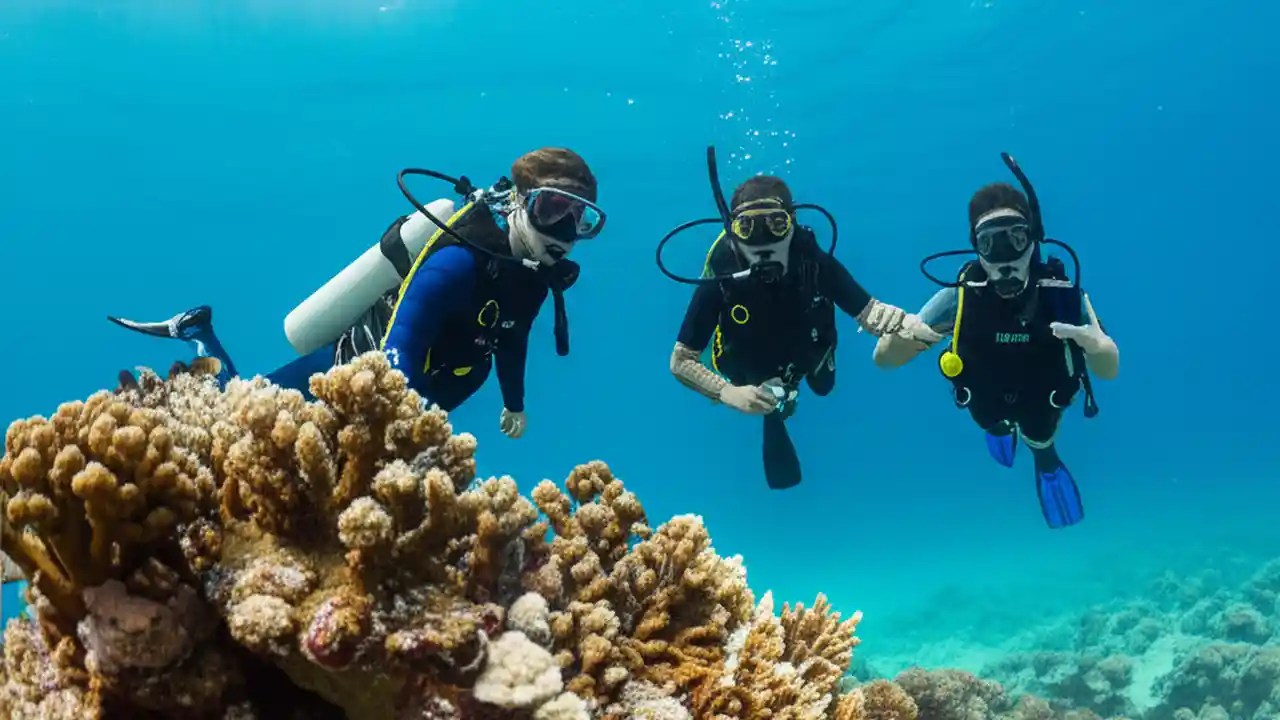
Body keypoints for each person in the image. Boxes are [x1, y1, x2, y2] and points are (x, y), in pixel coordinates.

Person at [109, 147, 606, 440]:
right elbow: (404, 340)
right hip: (350, 370)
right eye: (551, 209)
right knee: (239, 419)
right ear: (519, 203)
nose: (563, 228)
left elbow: (511, 339)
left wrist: (513, 402)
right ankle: (198, 335)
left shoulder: (531, 280)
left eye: (579, 218)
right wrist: (398, 419)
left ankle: (199, 332)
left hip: (426, 395)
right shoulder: (459, 259)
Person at [657, 147, 929, 489]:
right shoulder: (722, 274)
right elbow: (681, 359)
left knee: (824, 387)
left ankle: (785, 394)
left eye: (775, 224)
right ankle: (774, 404)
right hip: (746, 366)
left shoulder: (812, 261)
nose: (763, 243)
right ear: (733, 232)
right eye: (747, 228)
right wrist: (727, 392)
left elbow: (871, 312)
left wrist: (904, 324)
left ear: (792, 225)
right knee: (763, 395)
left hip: (809, 348)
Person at [872, 152, 1119, 529]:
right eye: (990, 244)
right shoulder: (959, 297)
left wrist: (1099, 347)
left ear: (1033, 240)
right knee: (993, 422)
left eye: (1015, 239)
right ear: (976, 248)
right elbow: (883, 360)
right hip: (984, 402)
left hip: (1043, 403)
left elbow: (1109, 371)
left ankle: (1044, 459)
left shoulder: (1062, 296)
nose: (1004, 259)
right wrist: (909, 338)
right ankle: (1003, 432)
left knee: (1040, 437)